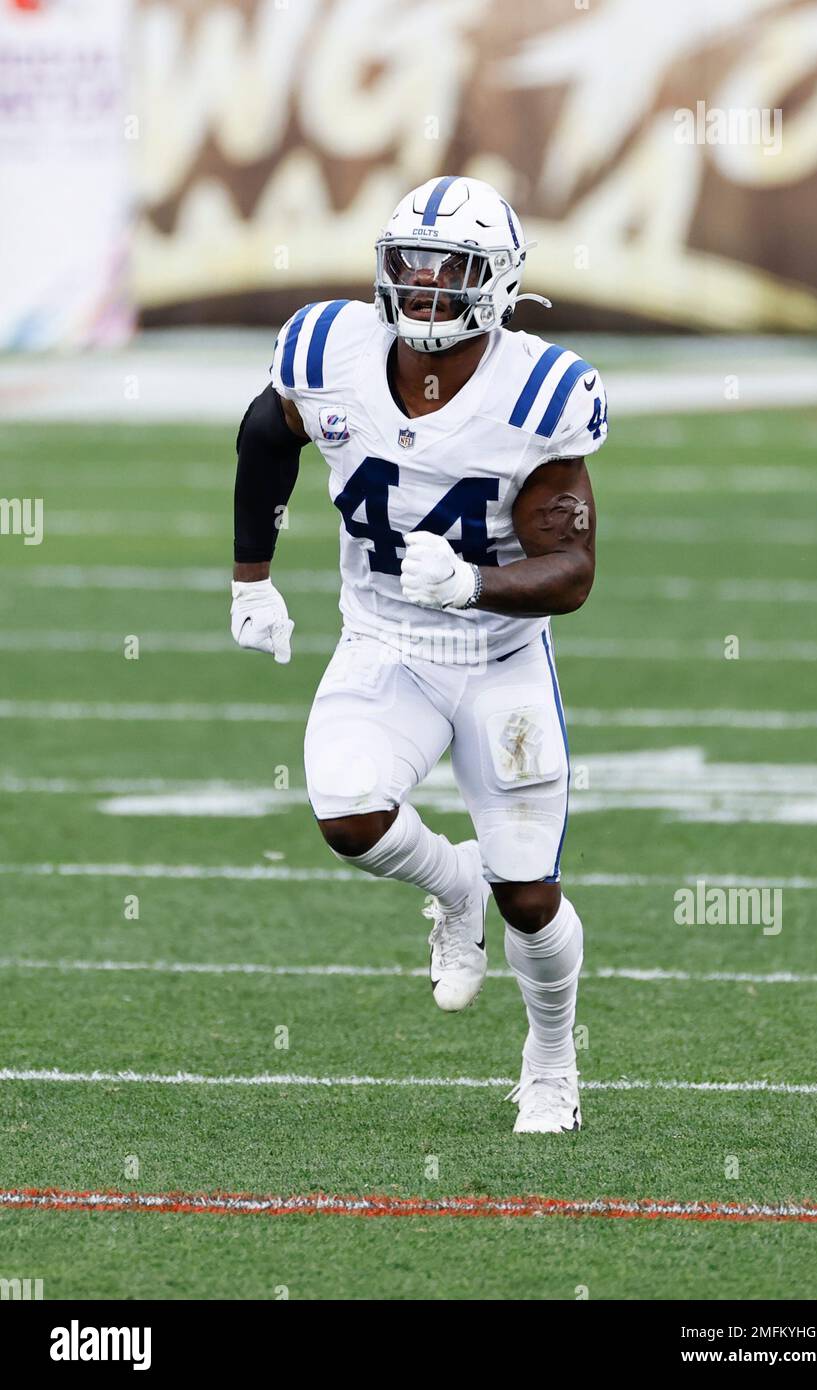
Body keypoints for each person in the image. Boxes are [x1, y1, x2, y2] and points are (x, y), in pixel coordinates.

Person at [231, 176, 608, 1132]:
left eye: (454, 273)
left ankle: (553, 1058)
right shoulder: (328, 350)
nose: (428, 291)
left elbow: (570, 568)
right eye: (412, 268)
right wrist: (251, 577)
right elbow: (266, 433)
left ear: (500, 282)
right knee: (347, 815)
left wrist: (474, 584)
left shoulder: (539, 391)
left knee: (529, 895)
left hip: (501, 656)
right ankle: (450, 889)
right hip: (385, 637)